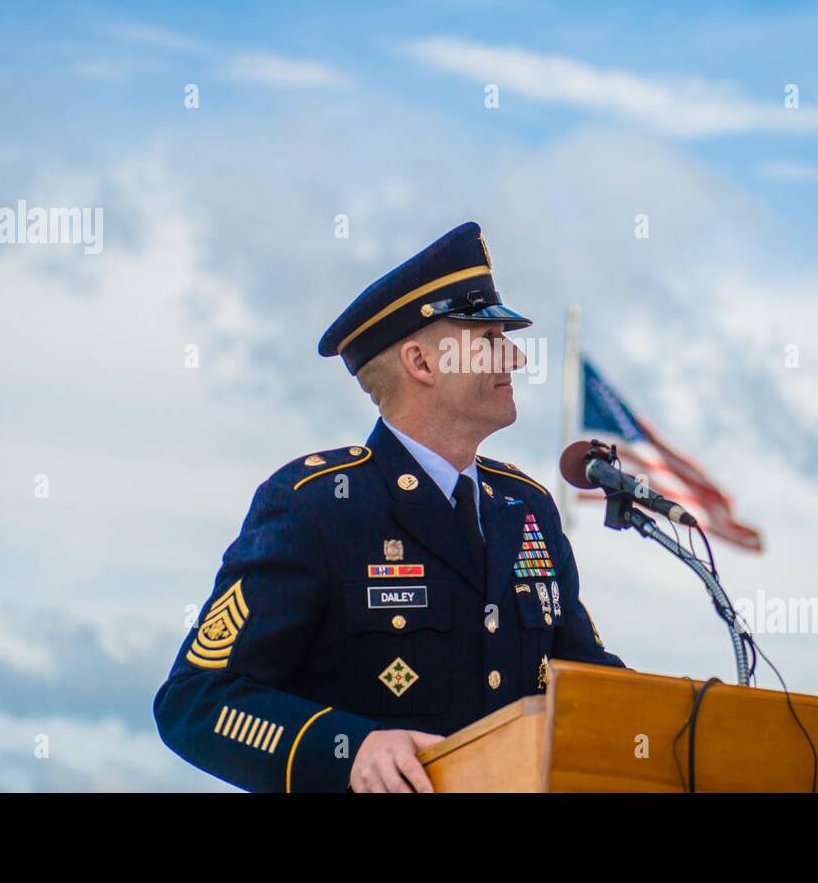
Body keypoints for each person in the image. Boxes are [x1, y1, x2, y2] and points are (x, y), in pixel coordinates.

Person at [153, 221, 624, 792]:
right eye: (490, 340)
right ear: (421, 365)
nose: (518, 357)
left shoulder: (526, 508)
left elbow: (586, 684)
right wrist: (350, 749)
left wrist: (690, 719)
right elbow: (196, 702)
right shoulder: (319, 509)